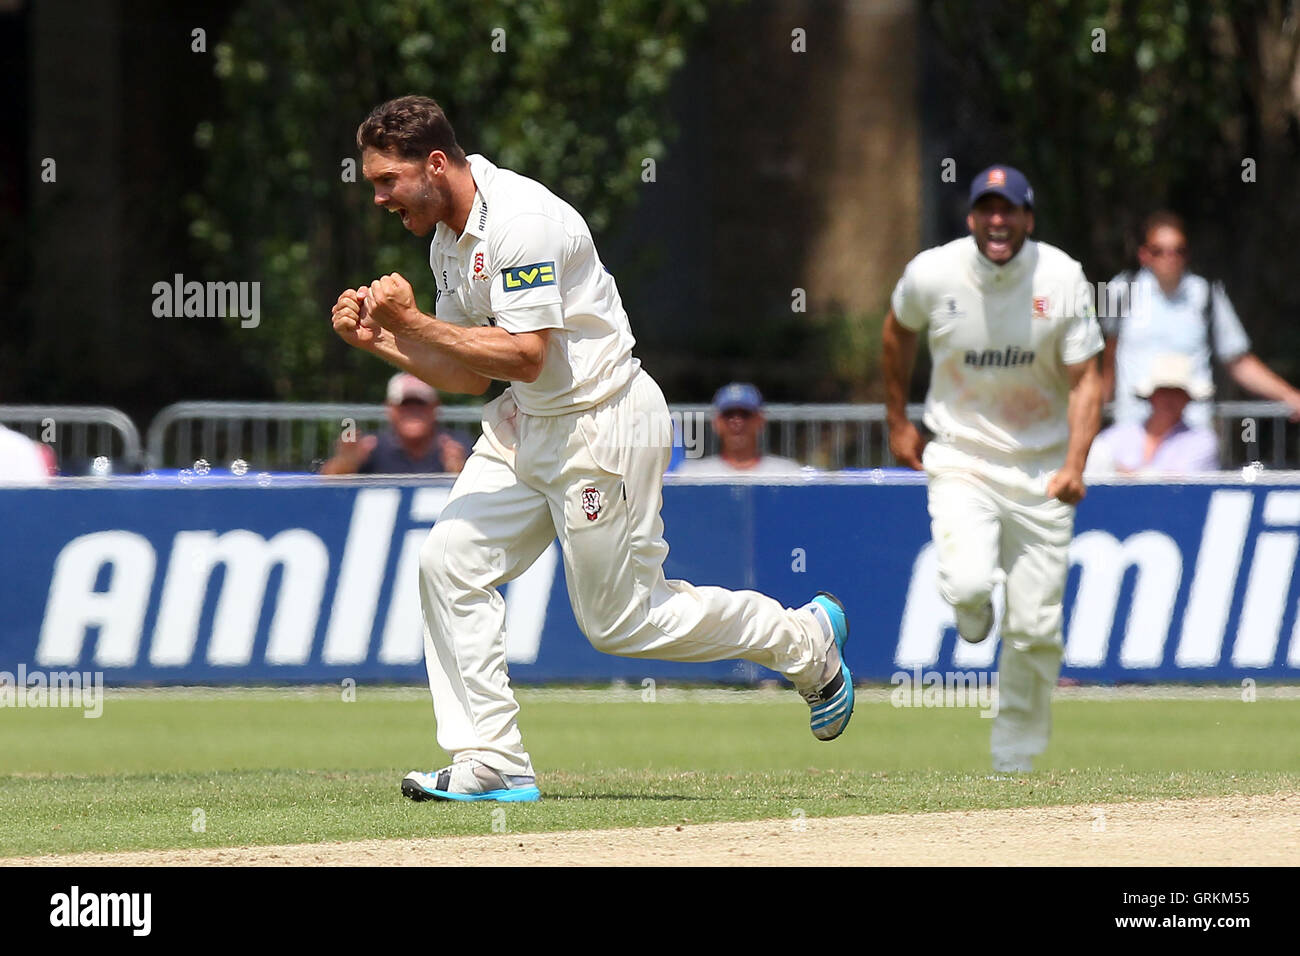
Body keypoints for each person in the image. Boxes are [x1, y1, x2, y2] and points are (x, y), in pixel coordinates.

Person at [330, 95, 853, 803]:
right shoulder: (445, 241)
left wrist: (413, 320)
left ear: (434, 163)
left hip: (601, 424)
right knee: (447, 560)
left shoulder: (521, 222)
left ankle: (804, 640)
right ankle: (492, 760)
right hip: (524, 423)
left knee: (621, 621)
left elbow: (527, 356)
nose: (380, 199)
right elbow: (471, 372)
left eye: (386, 181)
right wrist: (385, 342)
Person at [881, 165, 1105, 773]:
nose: (998, 221)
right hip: (961, 456)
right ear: (972, 216)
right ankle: (972, 607)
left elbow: (1089, 378)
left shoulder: (1061, 278)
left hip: (1042, 470)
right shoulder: (933, 272)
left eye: (1010, 210)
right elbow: (897, 333)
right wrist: (899, 420)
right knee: (972, 585)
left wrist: (1075, 463)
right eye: (987, 209)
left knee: (1035, 628)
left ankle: (1016, 759)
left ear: (1028, 219)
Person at [1102, 210, 1300, 429]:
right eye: (1160, 251)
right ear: (1144, 255)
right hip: (1133, 430)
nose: (1170, 258)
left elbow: (1238, 360)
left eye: (1178, 250)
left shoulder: (1206, 295)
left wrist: (1289, 395)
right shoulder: (1120, 291)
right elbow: (1107, 359)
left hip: (1192, 433)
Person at [1086, 353, 1218, 475]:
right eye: (1163, 391)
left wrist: (1122, 473)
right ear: (1151, 396)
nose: (1169, 399)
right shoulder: (1118, 435)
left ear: (1187, 398)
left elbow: (1184, 481)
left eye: (1177, 392)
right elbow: (1096, 462)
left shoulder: (1202, 440)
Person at [320, 371, 470, 475]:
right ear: (389, 408)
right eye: (404, 405)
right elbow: (326, 486)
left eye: (421, 404)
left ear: (435, 407)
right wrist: (346, 462)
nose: (413, 412)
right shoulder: (371, 448)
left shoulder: (458, 446)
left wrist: (460, 472)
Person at [674, 382, 805, 476]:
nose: (737, 422)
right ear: (716, 422)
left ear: (760, 421)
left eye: (745, 414)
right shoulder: (694, 475)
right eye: (728, 414)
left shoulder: (787, 474)